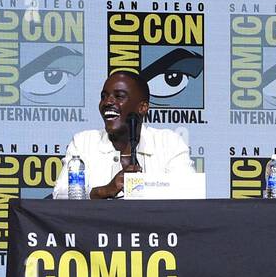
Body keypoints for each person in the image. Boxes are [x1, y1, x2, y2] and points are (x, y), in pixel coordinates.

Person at [53, 70, 192, 199]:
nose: (107, 102)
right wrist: (104, 190)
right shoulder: (83, 142)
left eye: (119, 96)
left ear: (143, 107)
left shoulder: (169, 143)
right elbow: (60, 194)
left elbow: (189, 192)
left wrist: (146, 187)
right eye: (104, 96)